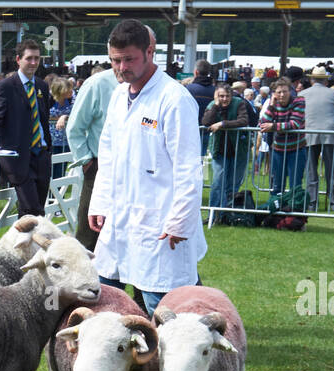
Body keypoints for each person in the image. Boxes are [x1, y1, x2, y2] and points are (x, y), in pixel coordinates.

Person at [88, 20, 206, 313]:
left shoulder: (174, 99)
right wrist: (99, 202)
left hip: (160, 221)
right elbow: (109, 154)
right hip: (120, 215)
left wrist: (180, 219)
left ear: (150, 51)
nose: (121, 67)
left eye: (129, 59)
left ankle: (182, 353)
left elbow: (188, 167)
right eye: (115, 60)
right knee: (105, 302)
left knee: (165, 306)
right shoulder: (118, 96)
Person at [0, 40, 53, 217]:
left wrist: (47, 149)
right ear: (18, 59)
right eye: (29, 58)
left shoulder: (42, 86)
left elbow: (43, 119)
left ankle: (23, 245)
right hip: (18, 158)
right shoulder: (5, 87)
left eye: (37, 58)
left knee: (34, 211)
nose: (34, 63)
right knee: (32, 211)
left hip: (41, 156)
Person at [65, 46, 120, 251]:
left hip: (136, 171)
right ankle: (82, 281)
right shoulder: (97, 83)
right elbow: (75, 127)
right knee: (89, 237)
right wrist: (87, 161)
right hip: (100, 167)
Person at [202, 82, 251, 218]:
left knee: (233, 185)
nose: (224, 99)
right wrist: (216, 106)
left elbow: (243, 120)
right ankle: (213, 215)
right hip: (219, 150)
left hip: (238, 149)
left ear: (231, 95)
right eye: (221, 96)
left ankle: (228, 215)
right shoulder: (212, 105)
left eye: (227, 96)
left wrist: (222, 124)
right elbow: (206, 122)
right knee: (218, 182)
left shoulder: (239, 103)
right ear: (216, 96)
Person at [299, 67, 334, 211]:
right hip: (331, 133)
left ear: (312, 80)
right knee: (332, 170)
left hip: (309, 133)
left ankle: (312, 203)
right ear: (326, 80)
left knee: (311, 170)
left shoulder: (302, 94)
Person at [260, 78, 306, 201]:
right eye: (278, 92)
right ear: (274, 93)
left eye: (284, 91)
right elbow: (263, 123)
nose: (282, 95)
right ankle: (275, 214)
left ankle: (295, 215)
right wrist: (271, 106)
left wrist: (273, 126)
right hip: (278, 150)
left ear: (290, 91)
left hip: (296, 149)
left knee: (295, 186)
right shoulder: (273, 104)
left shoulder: (299, 101)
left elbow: (295, 124)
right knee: (276, 185)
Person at [48, 77, 73, 154]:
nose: (71, 91)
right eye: (68, 89)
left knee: (62, 165)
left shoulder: (71, 101)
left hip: (65, 141)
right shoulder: (49, 101)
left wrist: (64, 117)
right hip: (51, 141)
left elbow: (76, 116)